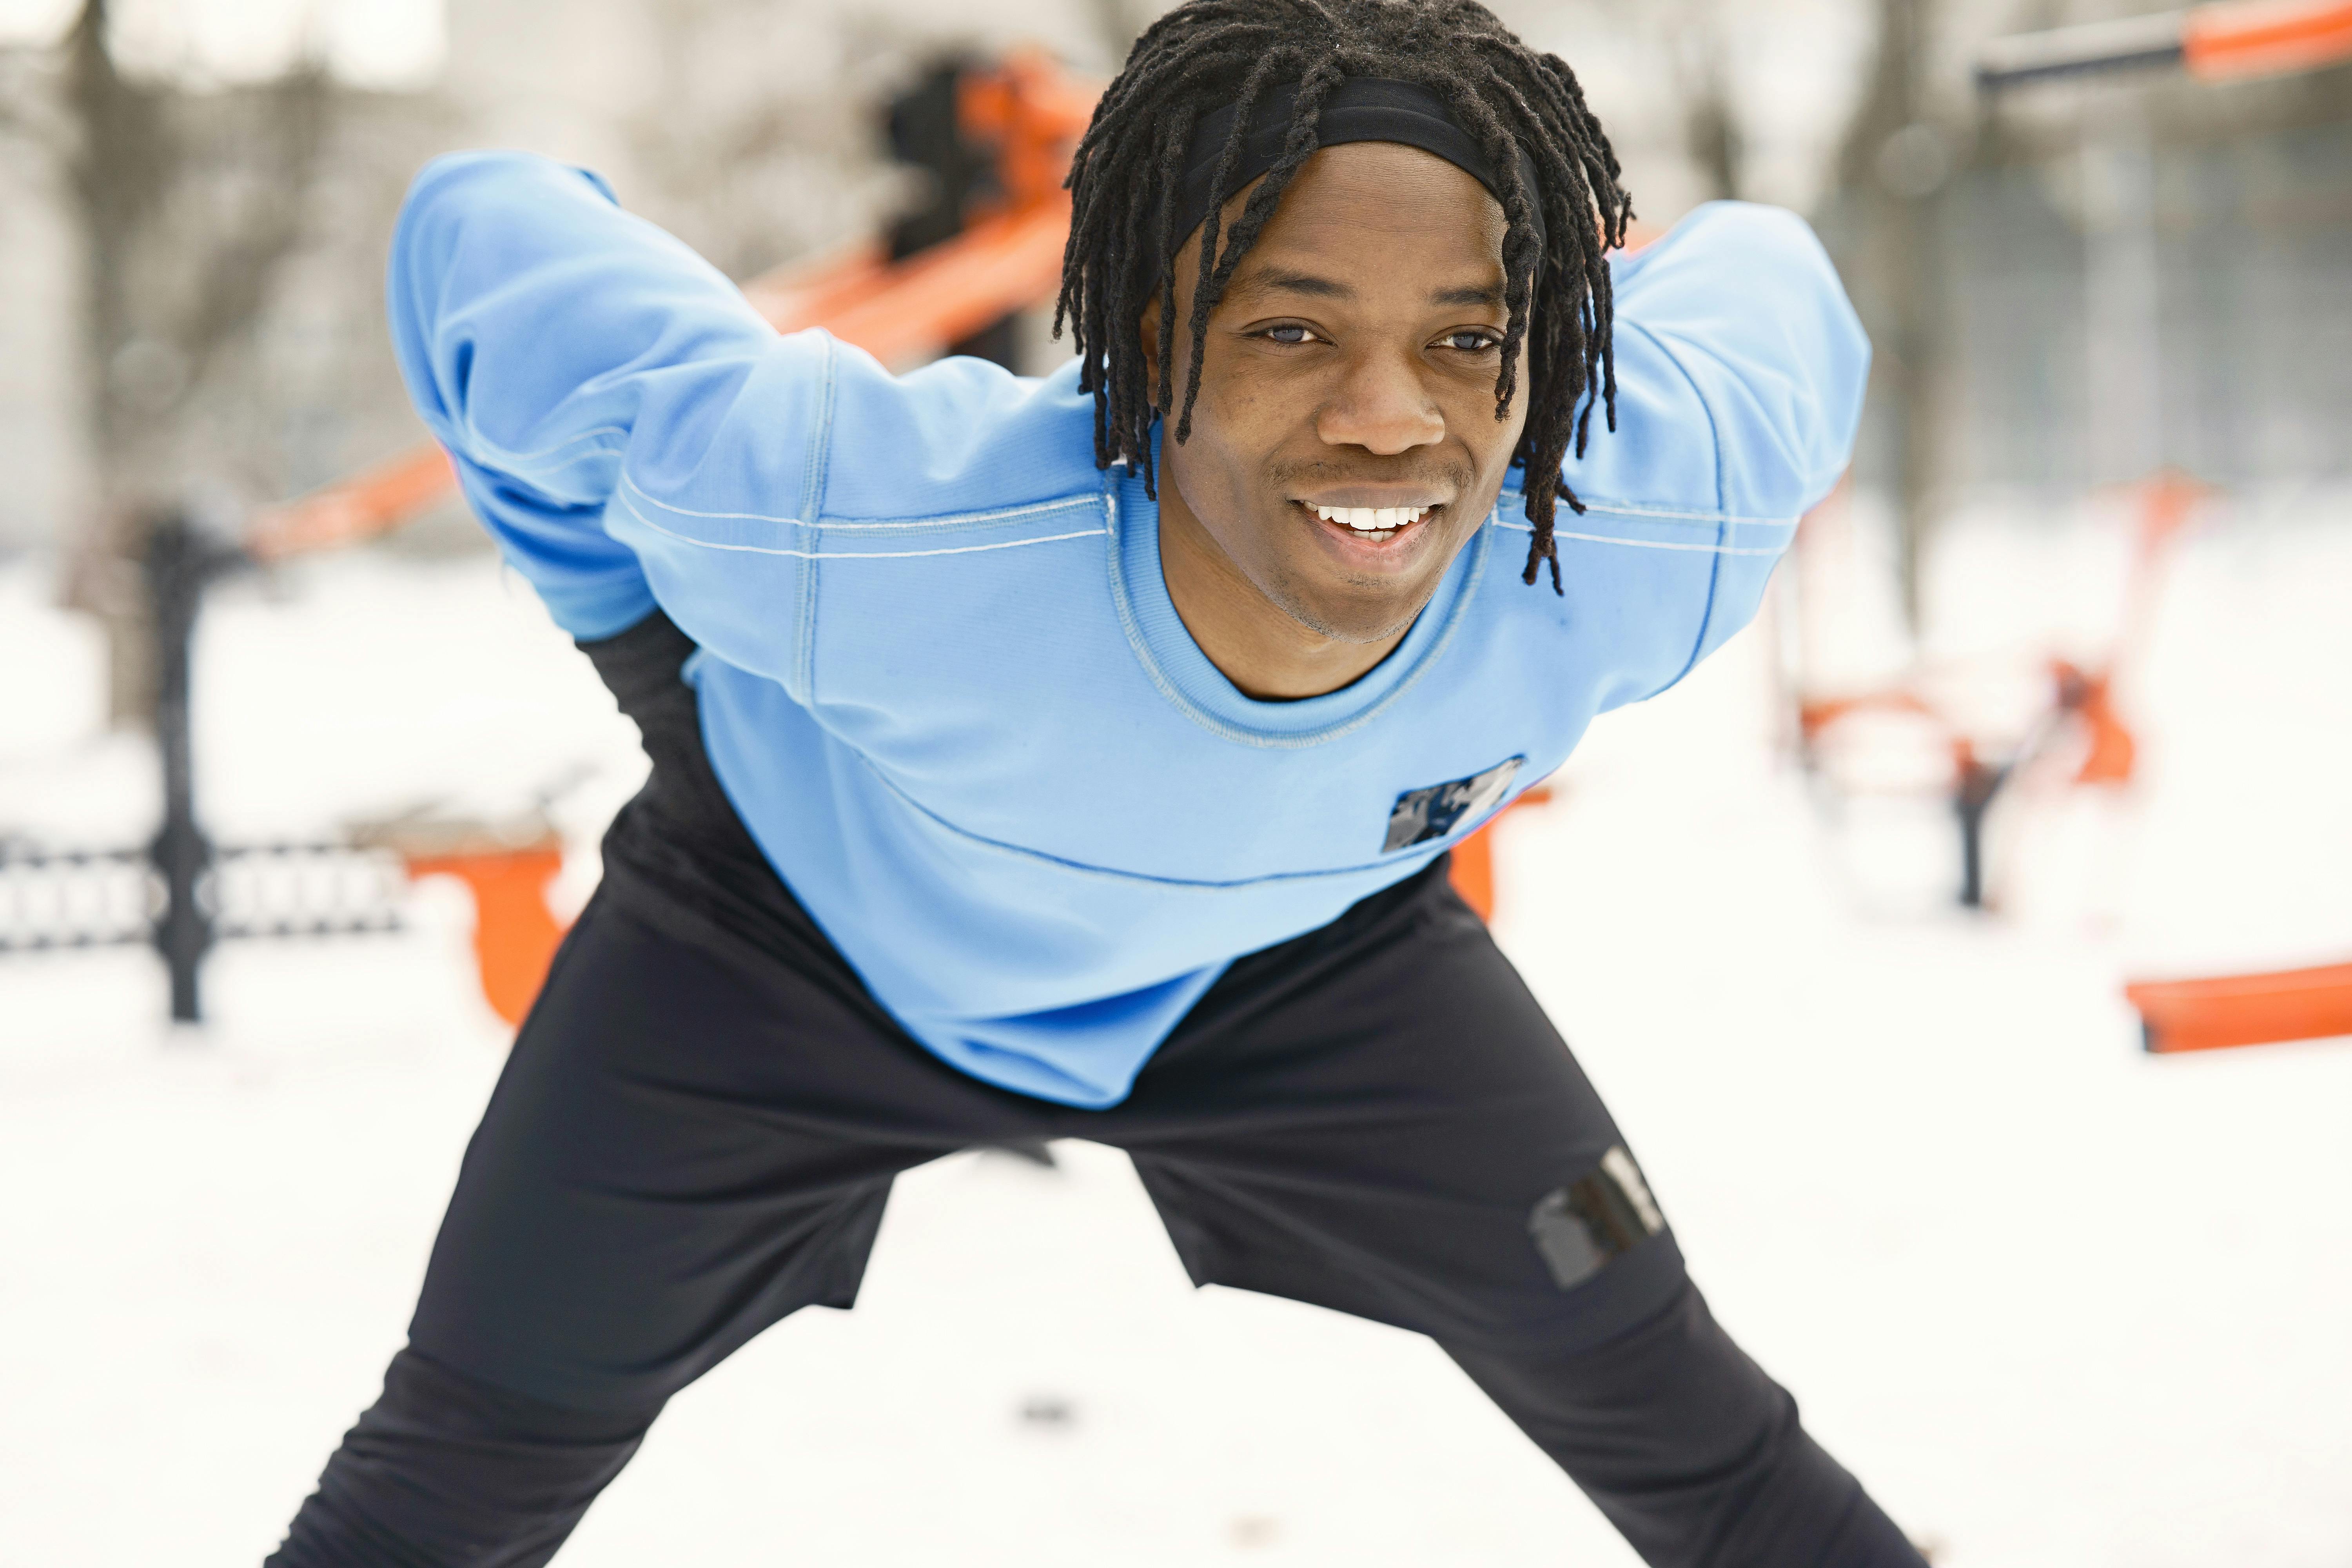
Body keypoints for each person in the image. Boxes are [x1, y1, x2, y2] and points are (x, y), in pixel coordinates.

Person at [270, 0, 1917, 1562]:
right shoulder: (858, 527)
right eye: (1291, 326)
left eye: (1466, 336)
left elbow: (1781, 283)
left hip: (1302, 966)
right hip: (781, 952)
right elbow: (476, 233)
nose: (1388, 416)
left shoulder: (1647, 515)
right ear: (1146, 330)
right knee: (450, 1482)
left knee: (1701, 1433)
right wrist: (650, 659)